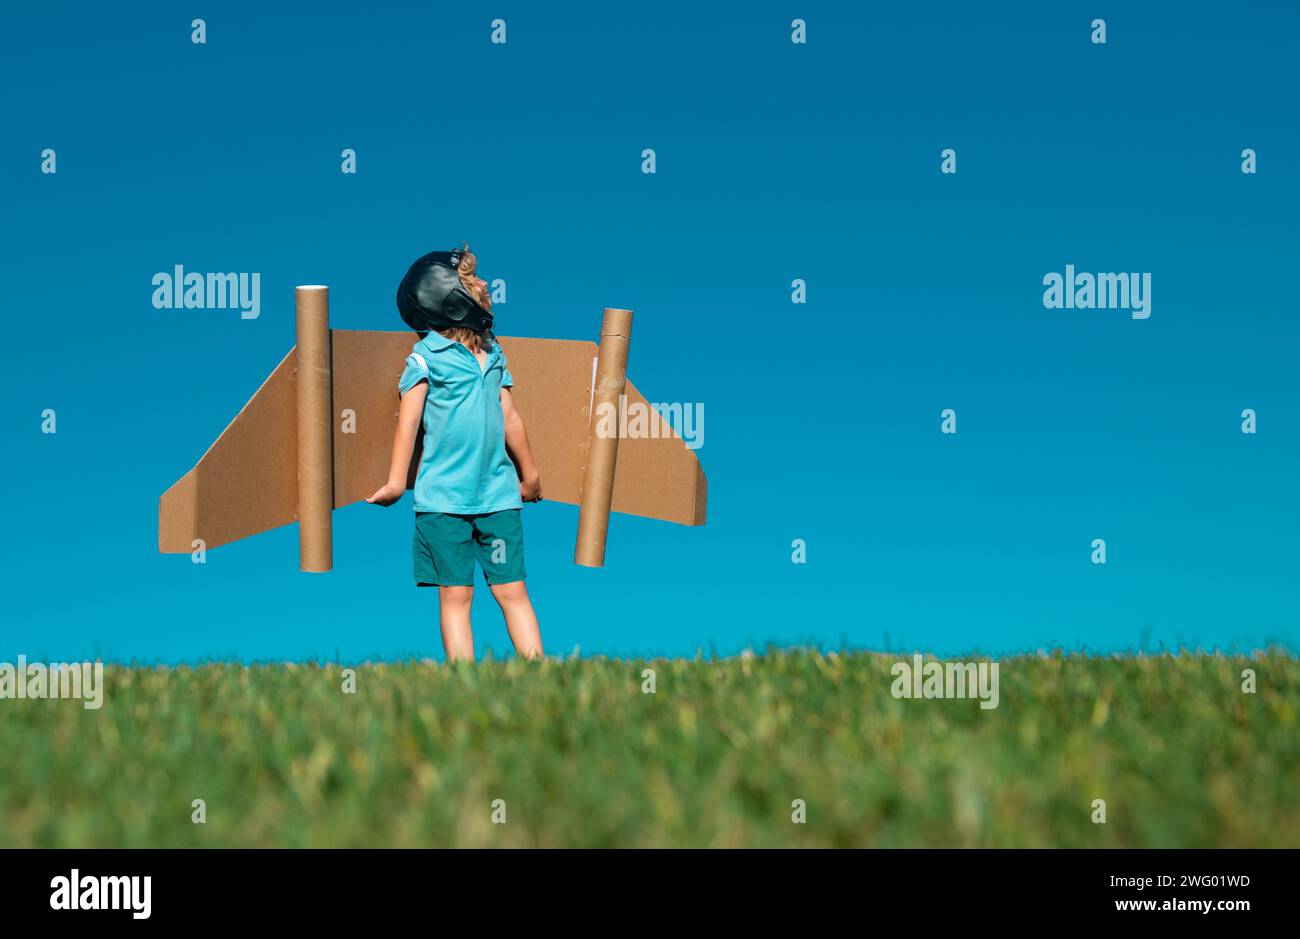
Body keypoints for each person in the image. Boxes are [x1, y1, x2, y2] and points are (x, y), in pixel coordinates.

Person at [368, 246, 543, 662]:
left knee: (512, 589)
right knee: (457, 595)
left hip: (498, 495)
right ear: (448, 296)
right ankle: (464, 680)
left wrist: (530, 473)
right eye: (472, 280)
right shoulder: (425, 357)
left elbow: (510, 417)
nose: (484, 285)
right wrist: (396, 483)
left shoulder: (493, 351)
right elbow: (407, 423)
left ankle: (541, 672)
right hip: (443, 502)